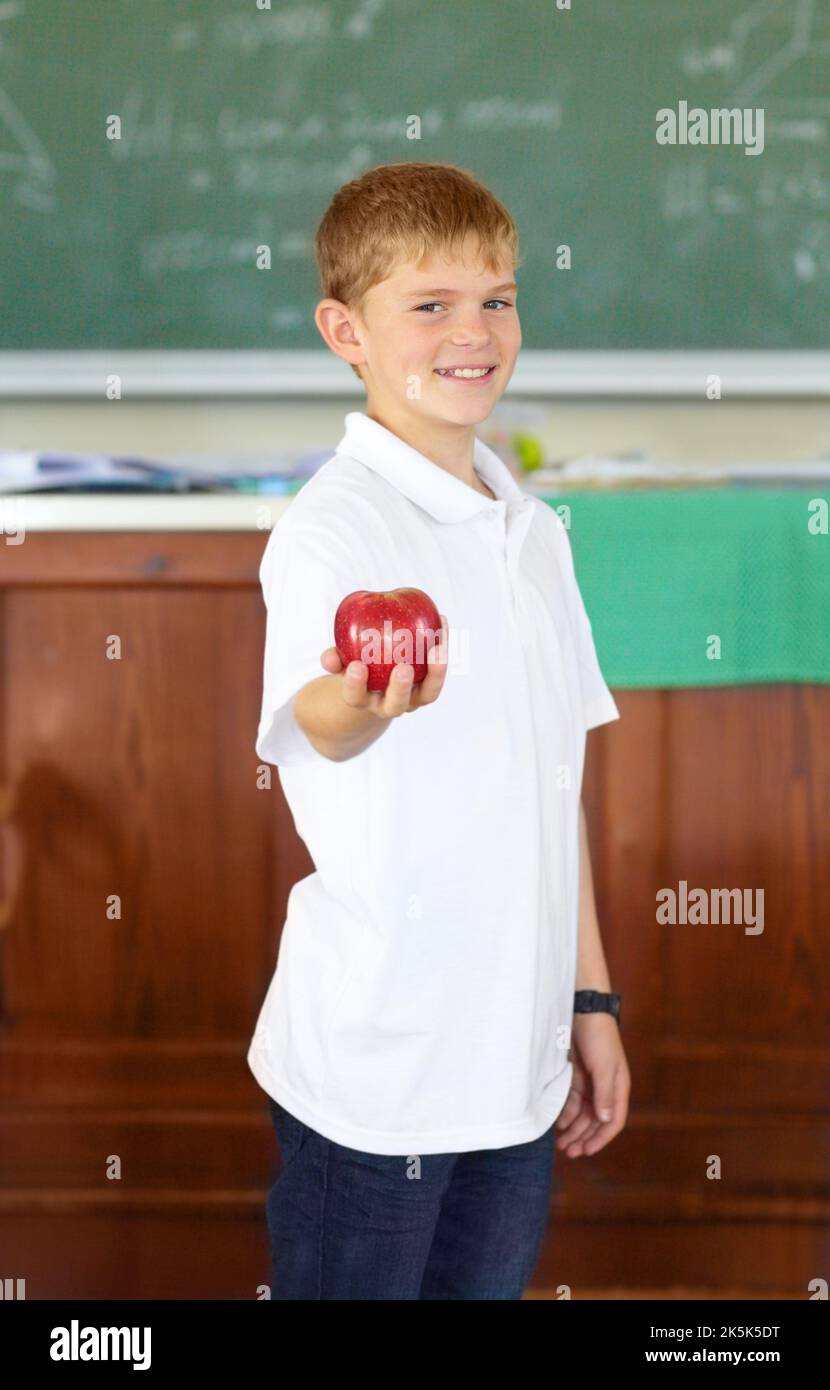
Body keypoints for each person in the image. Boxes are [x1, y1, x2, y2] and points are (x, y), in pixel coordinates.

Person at [248, 161, 630, 1299]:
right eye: (429, 306)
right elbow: (316, 725)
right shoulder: (331, 530)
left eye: (497, 299)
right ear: (343, 329)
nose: (473, 334)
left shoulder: (533, 531)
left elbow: (552, 790)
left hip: (513, 1069)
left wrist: (588, 1001)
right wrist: (357, 699)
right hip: (377, 1075)